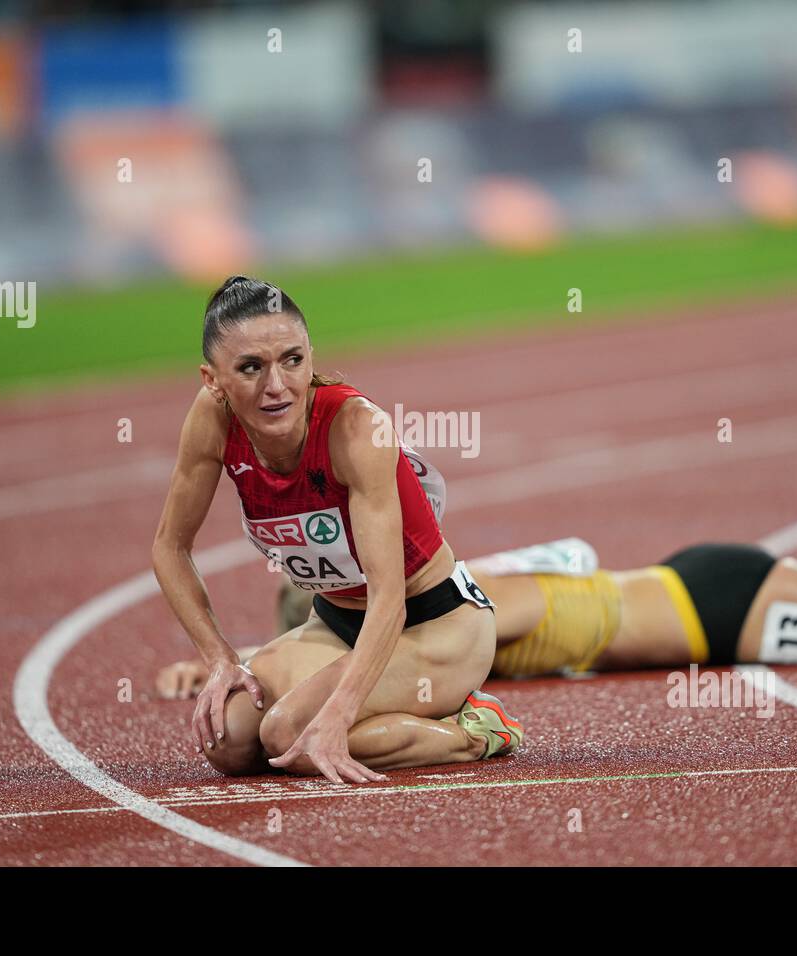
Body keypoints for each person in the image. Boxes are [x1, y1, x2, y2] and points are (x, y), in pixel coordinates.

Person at [150, 276, 523, 787]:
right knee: (229, 738)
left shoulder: (356, 429)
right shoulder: (212, 421)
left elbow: (388, 596)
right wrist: (220, 659)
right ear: (213, 381)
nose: (276, 386)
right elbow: (170, 548)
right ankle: (374, 714)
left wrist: (341, 711)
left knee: (288, 736)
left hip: (433, 626)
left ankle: (474, 730)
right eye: (250, 368)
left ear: (310, 356)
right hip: (336, 624)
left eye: (292, 360)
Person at [159, 535, 797, 695]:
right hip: (712, 601)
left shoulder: (467, 612)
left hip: (726, 609)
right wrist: (238, 660)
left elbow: (464, 633)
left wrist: (254, 657)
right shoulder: (445, 612)